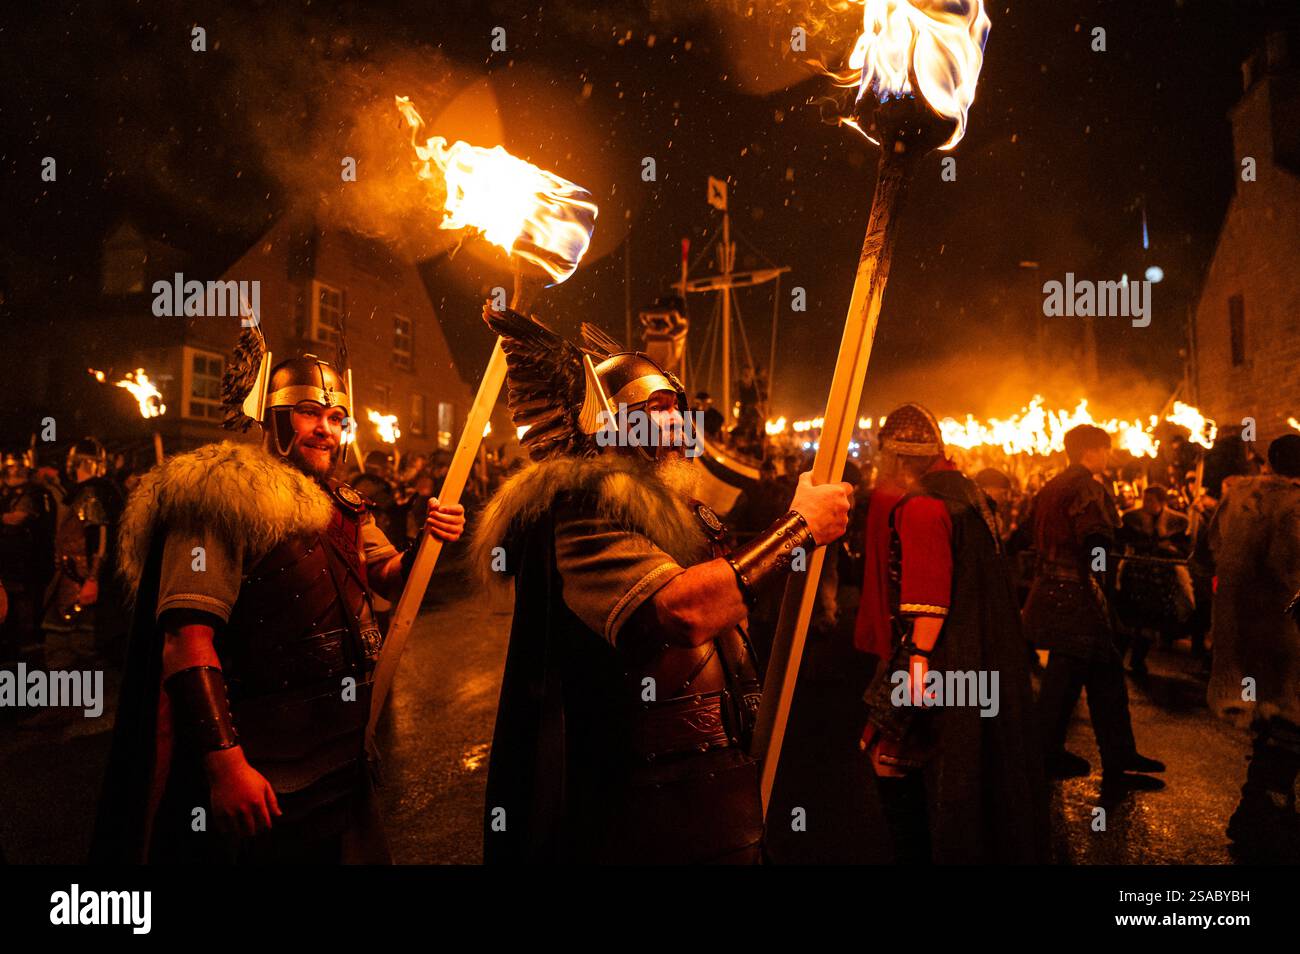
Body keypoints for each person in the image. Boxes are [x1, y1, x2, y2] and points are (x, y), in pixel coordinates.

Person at [474, 305, 851, 864]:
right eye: (658, 408)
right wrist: (797, 529)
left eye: (677, 407)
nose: (679, 422)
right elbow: (681, 611)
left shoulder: (685, 510)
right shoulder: (585, 508)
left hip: (718, 782)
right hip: (642, 806)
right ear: (611, 422)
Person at [92, 347, 465, 863]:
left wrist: (433, 540)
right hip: (261, 761)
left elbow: (387, 574)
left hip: (343, 751)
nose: (326, 429)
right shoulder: (221, 497)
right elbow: (187, 640)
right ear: (272, 416)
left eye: (336, 418)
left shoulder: (344, 504)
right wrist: (227, 767)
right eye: (309, 412)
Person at [856, 403, 1048, 863]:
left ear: (899, 459)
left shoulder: (923, 506)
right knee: (953, 762)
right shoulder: (965, 491)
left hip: (934, 655)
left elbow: (930, 597)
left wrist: (916, 664)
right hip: (973, 654)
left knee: (889, 757)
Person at [1023, 424, 1165, 800]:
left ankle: (1117, 756)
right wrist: (1102, 576)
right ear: (1091, 451)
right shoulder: (1088, 487)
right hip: (1077, 593)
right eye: (1105, 449)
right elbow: (1096, 539)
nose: (1109, 455)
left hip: (1048, 588)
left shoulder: (1050, 487)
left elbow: (1025, 535)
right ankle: (1047, 754)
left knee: (1099, 670)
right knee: (1070, 674)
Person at [1203, 433, 1300, 861]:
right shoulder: (1294, 507)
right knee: (1291, 725)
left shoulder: (1236, 500)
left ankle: (1258, 813)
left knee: (1271, 722)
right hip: (1288, 631)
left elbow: (1205, 556)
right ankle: (1263, 817)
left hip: (1245, 630)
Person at [41, 437, 123, 671]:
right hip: (69, 579)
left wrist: (93, 580)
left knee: (78, 648)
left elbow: (101, 539)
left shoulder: (90, 493)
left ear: (76, 462)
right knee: (61, 645)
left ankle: (75, 703)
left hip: (82, 582)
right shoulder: (87, 491)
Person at [1115, 485, 1192, 675]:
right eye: (1145, 499)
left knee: (1150, 620)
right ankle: (1116, 660)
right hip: (1136, 574)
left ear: (1161, 502)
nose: (1146, 503)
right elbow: (1123, 541)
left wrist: (1169, 548)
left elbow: (1186, 549)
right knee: (1128, 619)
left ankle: (1138, 660)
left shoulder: (1178, 522)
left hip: (1161, 578)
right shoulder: (1131, 519)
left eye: (1150, 500)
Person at [0, 448, 56, 662]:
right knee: (9, 618)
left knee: (28, 617)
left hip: (28, 565)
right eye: (10, 468)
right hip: (8, 566)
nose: (13, 472)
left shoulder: (35, 493)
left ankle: (28, 659)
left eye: (17, 467)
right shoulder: (5, 493)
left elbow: (18, 519)